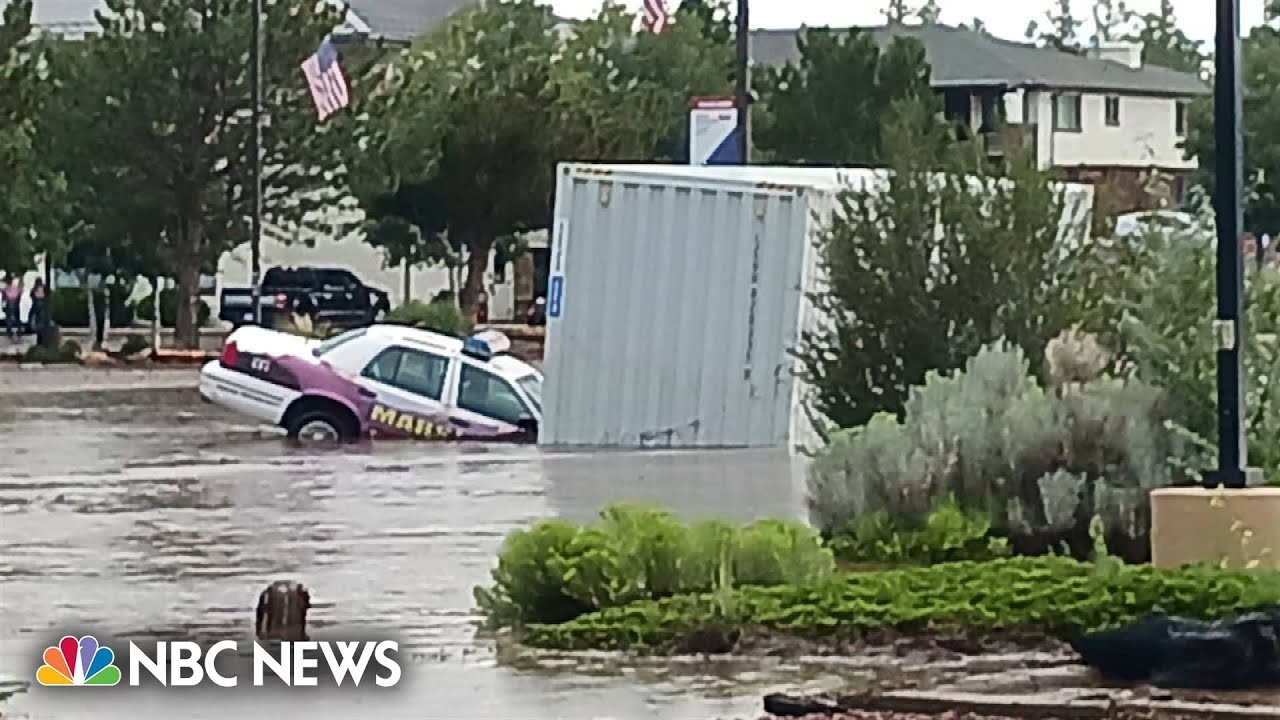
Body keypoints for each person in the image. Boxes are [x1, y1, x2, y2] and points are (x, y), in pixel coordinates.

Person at [3, 275, 22, 340]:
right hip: (15, 302)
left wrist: (4, 306)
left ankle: (9, 331)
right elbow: (19, 294)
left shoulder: (5, 288)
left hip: (9, 302)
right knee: (17, 317)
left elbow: (4, 298)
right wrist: (18, 301)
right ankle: (19, 331)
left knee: (8, 318)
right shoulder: (15, 287)